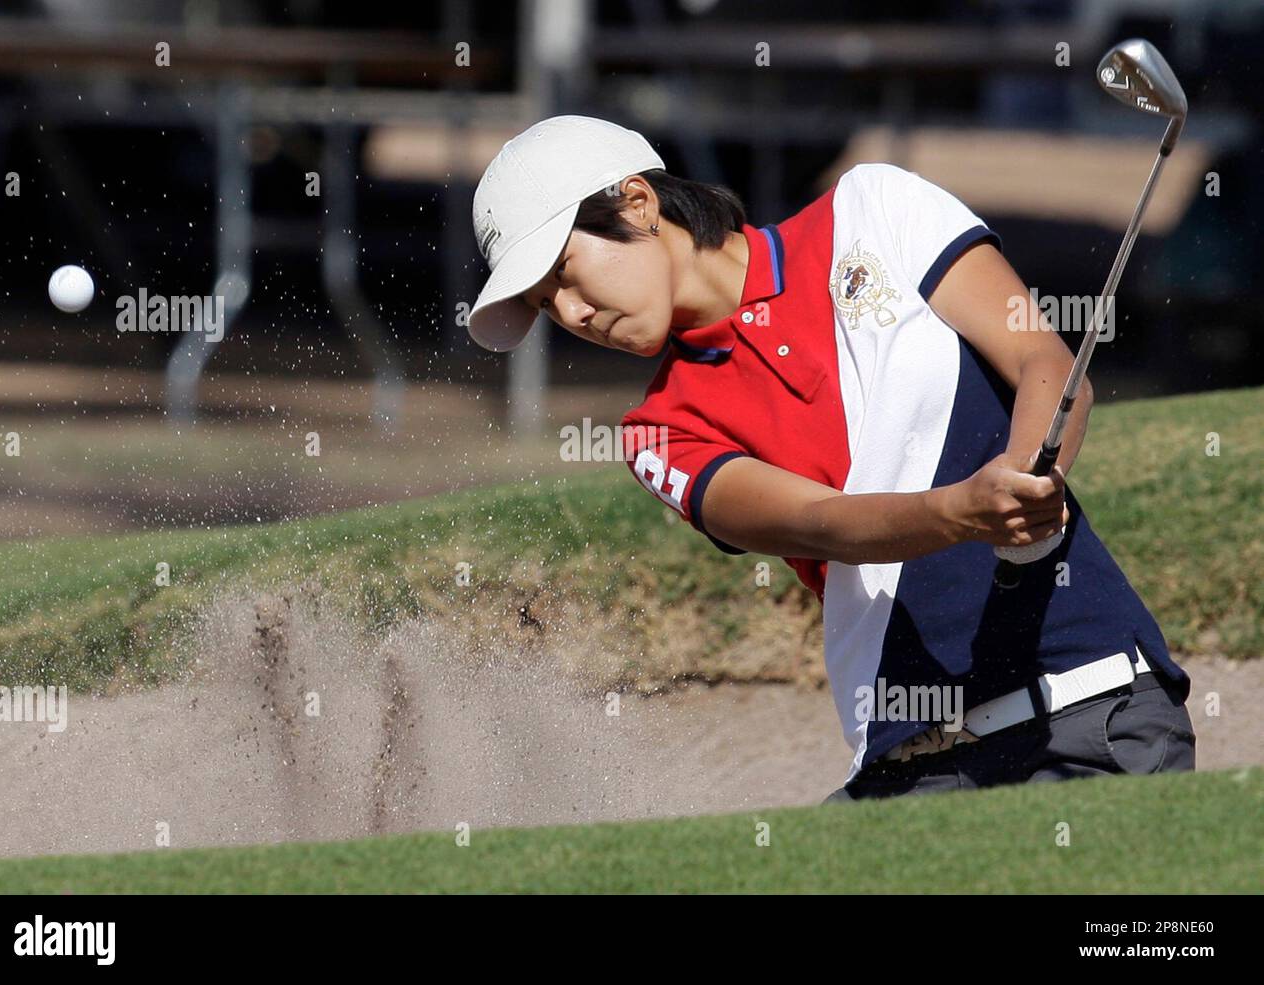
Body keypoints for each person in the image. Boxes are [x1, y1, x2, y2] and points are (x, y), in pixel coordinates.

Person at [467, 114, 1195, 801]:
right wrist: (961, 511)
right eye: (542, 304)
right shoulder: (658, 432)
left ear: (636, 201)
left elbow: (1043, 360)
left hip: (1091, 711)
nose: (569, 314)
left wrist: (1031, 472)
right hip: (912, 767)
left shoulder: (871, 208)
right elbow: (818, 522)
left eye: (563, 272)